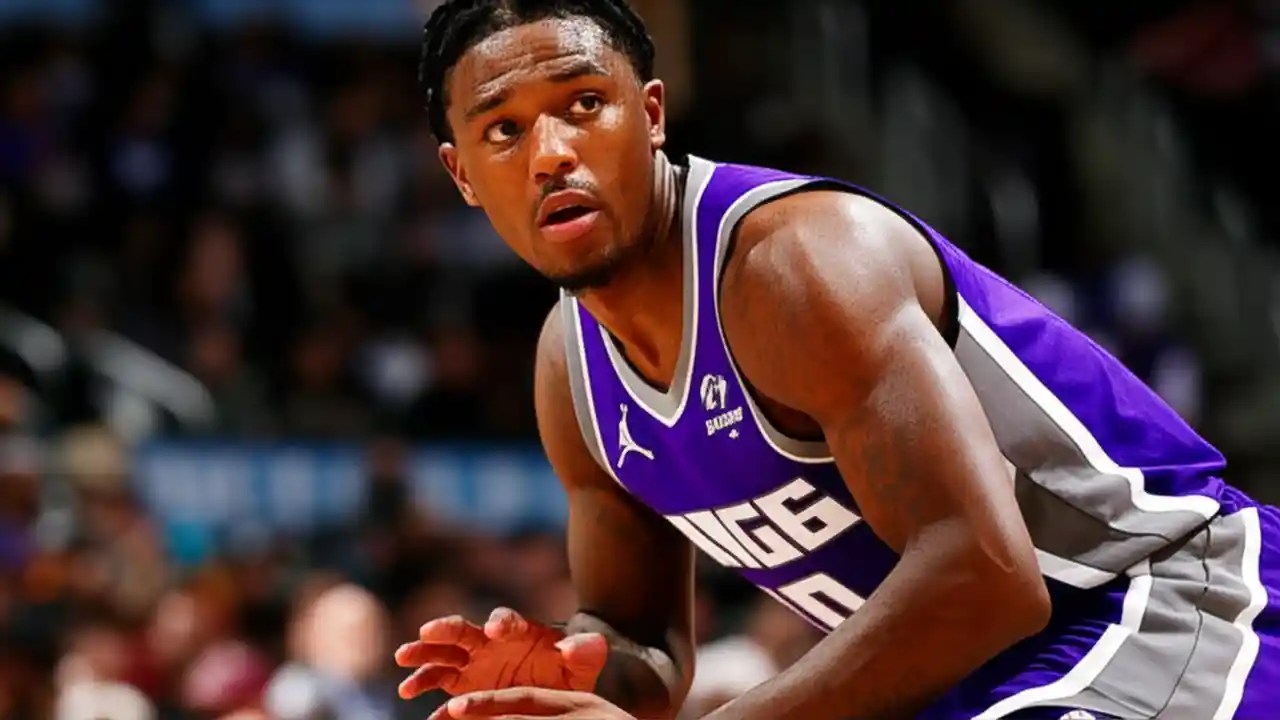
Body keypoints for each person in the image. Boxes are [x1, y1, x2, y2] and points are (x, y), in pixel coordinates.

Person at [395, 1, 1280, 718]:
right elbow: (645, 650)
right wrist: (565, 670)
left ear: (652, 114)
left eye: (584, 104)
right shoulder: (570, 370)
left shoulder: (795, 263)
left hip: (1167, 606)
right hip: (978, 683)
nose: (552, 153)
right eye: (504, 131)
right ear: (462, 174)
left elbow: (987, 580)